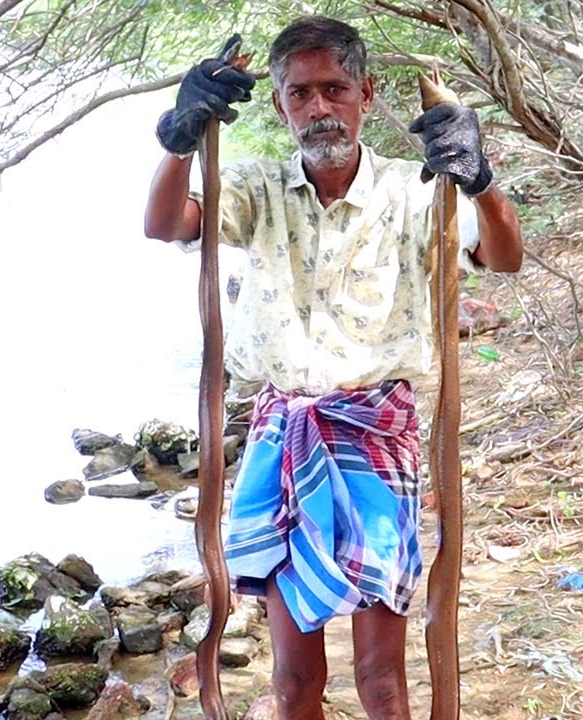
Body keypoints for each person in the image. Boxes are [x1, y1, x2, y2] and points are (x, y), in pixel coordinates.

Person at [143, 16, 523, 720]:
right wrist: (180, 141)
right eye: (299, 94)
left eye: (334, 89)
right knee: (293, 681)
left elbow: (502, 256)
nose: (318, 108)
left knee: (381, 679)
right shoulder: (255, 189)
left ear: (366, 94)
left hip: (376, 441)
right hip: (286, 438)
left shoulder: (418, 192)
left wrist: (480, 180)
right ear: (281, 104)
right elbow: (169, 226)